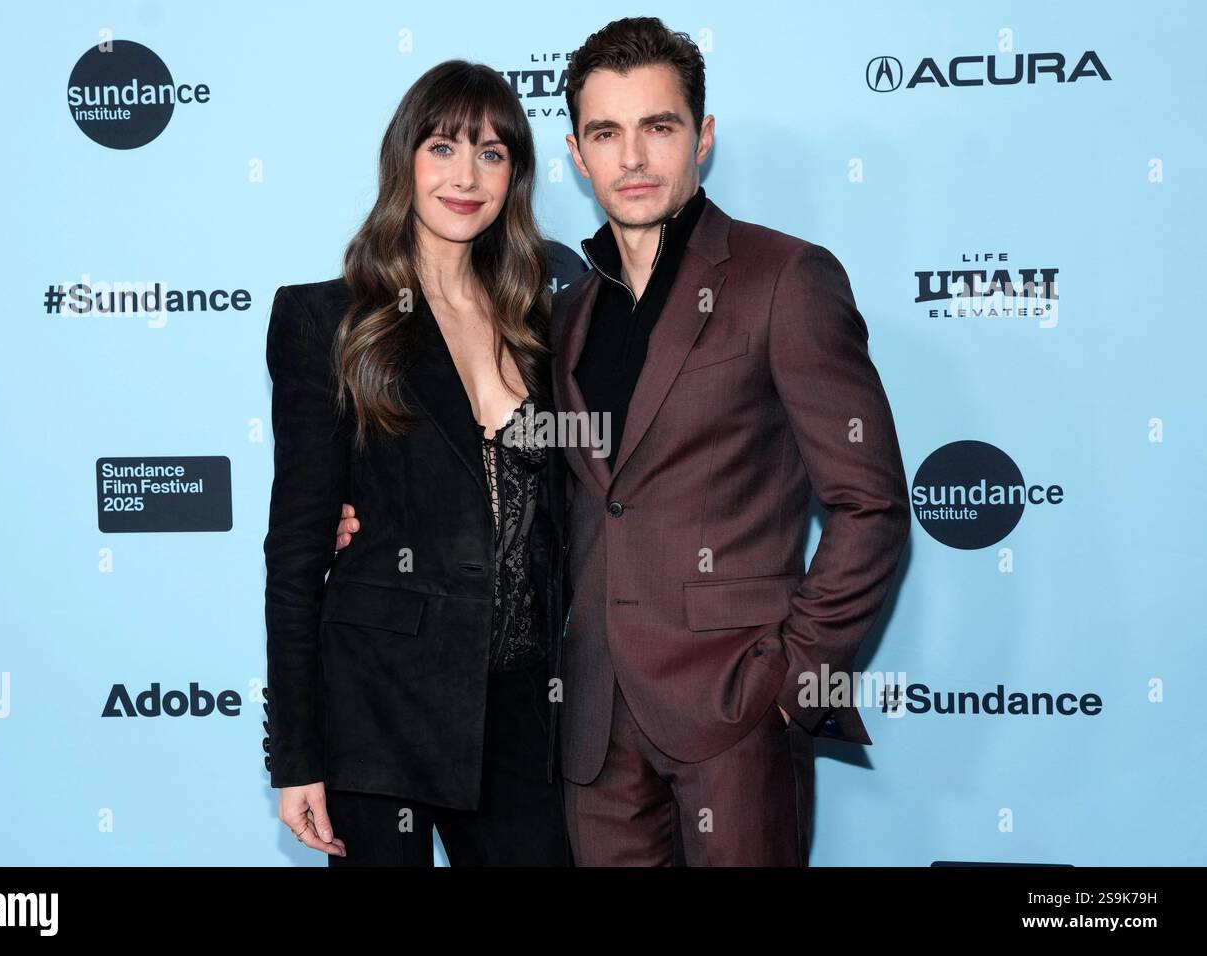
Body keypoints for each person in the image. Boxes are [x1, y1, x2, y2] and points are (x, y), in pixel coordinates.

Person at [336, 16, 911, 866]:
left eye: (659, 127)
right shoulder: (561, 317)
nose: (632, 158)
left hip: (734, 718)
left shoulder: (783, 279)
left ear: (702, 138)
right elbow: (535, 492)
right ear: (576, 153)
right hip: (592, 734)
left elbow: (872, 507)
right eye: (606, 132)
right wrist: (374, 526)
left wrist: (786, 684)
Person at [261, 59, 570, 866]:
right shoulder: (328, 319)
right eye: (444, 148)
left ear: (516, 176)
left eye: (493, 154)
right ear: (405, 159)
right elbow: (295, 556)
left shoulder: (546, 323)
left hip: (522, 709)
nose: (467, 176)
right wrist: (296, 757)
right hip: (378, 707)